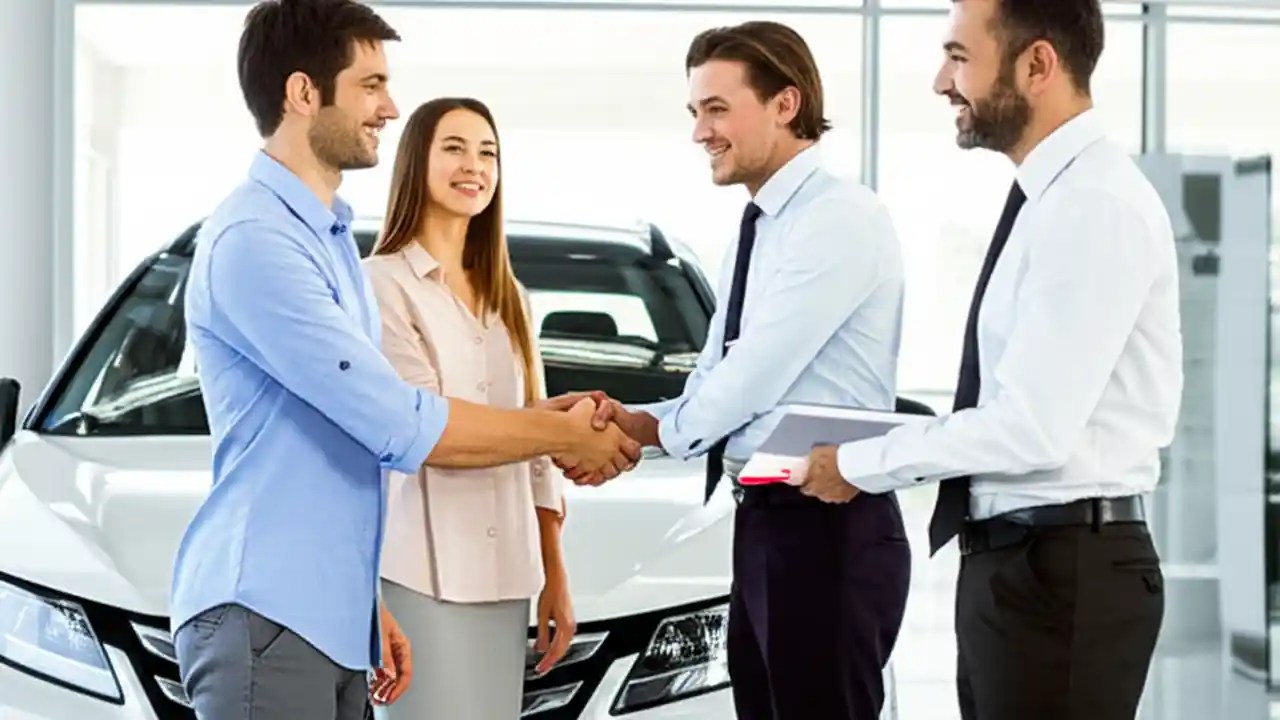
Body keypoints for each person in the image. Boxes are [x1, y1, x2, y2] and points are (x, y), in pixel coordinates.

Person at [169, 3, 639, 720]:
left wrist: (363, 602)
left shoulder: (324, 240)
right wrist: (563, 434)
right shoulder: (256, 242)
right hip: (265, 610)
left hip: (325, 616)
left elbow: (354, 444)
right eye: (370, 85)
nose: (389, 108)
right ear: (303, 94)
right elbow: (395, 423)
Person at [797, 1, 1182, 719]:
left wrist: (859, 463)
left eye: (959, 56)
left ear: (1037, 65)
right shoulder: (1052, 199)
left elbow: (1029, 427)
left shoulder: (1092, 204)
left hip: (1062, 571)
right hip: (1027, 565)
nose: (942, 81)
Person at [576, 20, 911, 720]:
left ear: (785, 104)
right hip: (766, 522)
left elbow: (753, 377)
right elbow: (712, 379)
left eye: (717, 108)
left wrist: (650, 435)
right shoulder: (757, 228)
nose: (701, 131)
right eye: (696, 112)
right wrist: (640, 420)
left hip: (827, 526)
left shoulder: (837, 219)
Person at [360, 97, 579, 718]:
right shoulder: (381, 285)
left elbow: (535, 447)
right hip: (416, 571)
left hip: (507, 572)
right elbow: (423, 426)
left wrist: (553, 571)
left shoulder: (510, 296)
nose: (474, 165)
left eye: (488, 152)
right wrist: (561, 431)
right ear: (416, 163)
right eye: (454, 147)